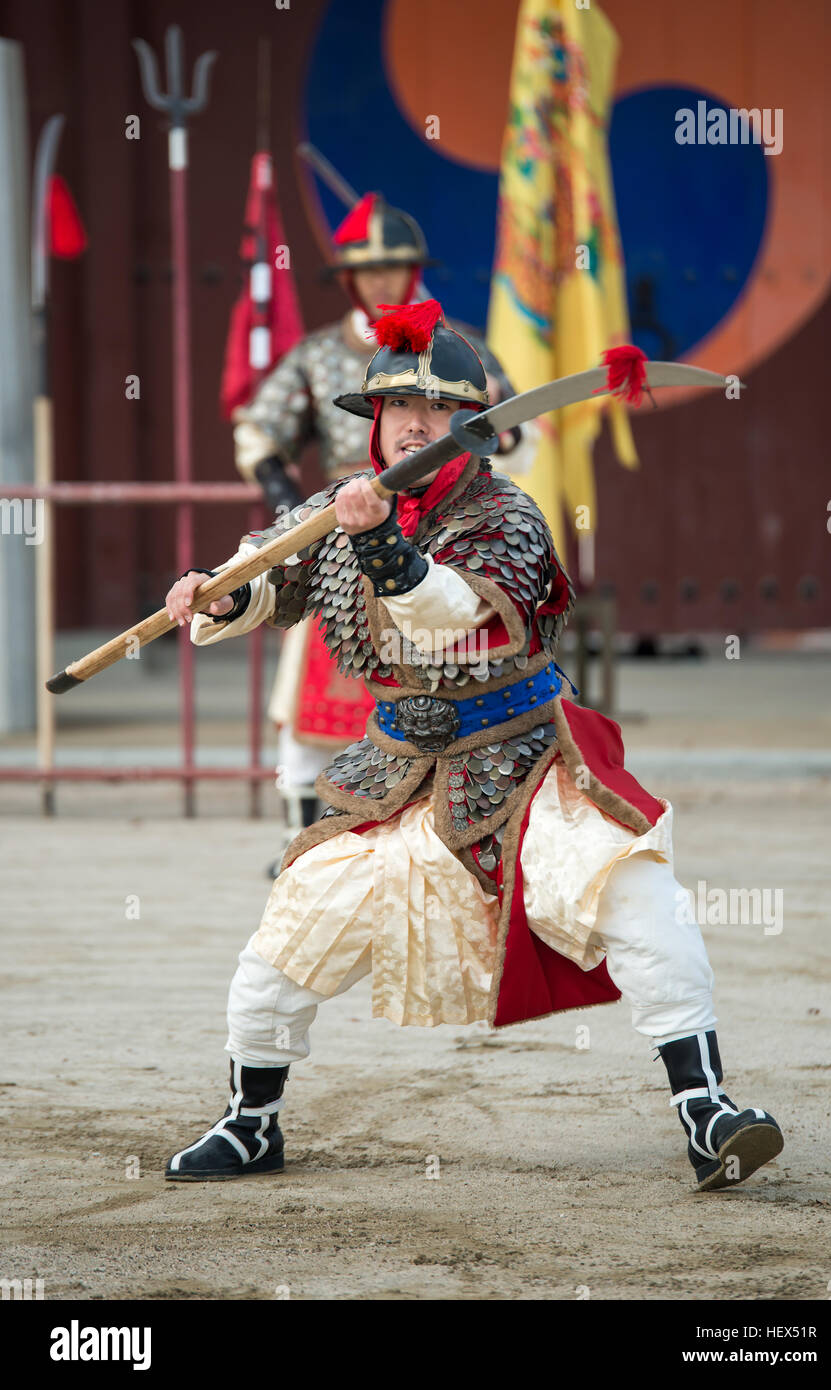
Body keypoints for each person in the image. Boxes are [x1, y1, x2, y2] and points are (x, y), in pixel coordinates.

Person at [164, 301, 783, 1193]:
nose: (417, 424)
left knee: (636, 893)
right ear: (373, 422)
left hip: (524, 754)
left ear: (464, 425)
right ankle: (251, 1121)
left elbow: (446, 614)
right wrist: (218, 594)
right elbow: (267, 575)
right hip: (394, 770)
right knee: (286, 938)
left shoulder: (507, 514)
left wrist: (374, 533)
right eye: (399, 409)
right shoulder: (336, 506)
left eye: (439, 411)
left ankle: (705, 1111)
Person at [231, 192, 533, 868]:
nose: (378, 282)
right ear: (348, 278)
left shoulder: (460, 352)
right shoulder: (315, 356)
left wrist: (497, 442)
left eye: (391, 268)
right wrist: (290, 501)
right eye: (366, 271)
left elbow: (513, 426)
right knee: (313, 690)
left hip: (443, 523)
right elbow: (257, 429)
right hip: (344, 523)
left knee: (448, 666)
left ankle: (447, 820)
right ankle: (305, 833)